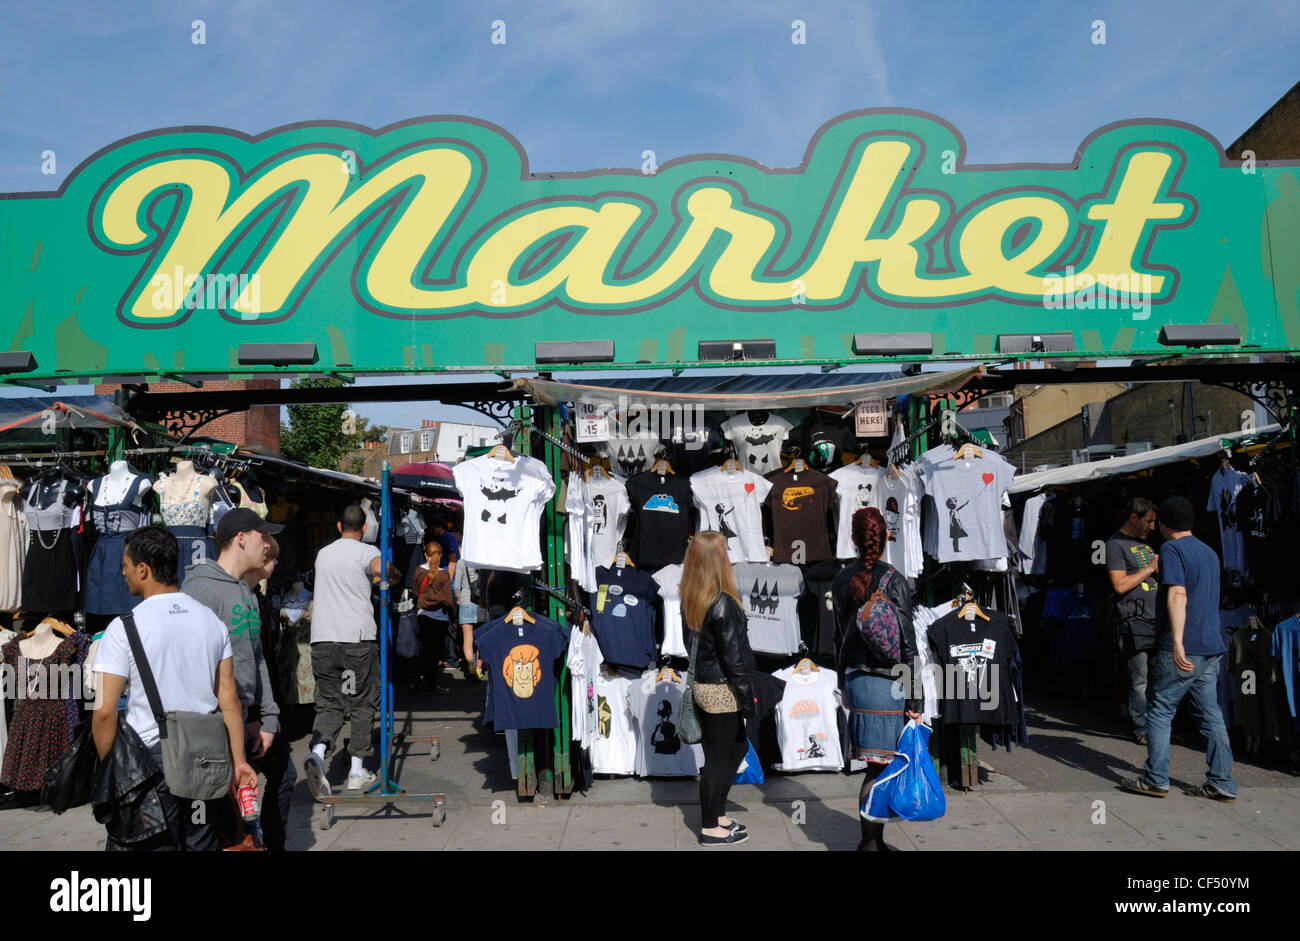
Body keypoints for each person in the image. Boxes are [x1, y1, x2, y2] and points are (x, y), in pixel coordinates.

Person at [91, 526, 256, 851]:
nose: (121, 571)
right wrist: (238, 762)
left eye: (125, 564)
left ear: (143, 569)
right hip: (208, 760)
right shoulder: (211, 621)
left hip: (150, 766)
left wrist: (112, 770)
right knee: (202, 842)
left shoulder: (123, 628)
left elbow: (105, 713)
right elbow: (230, 700)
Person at [1121, 496, 1237, 802]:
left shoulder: (1171, 549)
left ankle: (1156, 779)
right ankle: (1222, 781)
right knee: (1211, 715)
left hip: (1184, 647)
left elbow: (1178, 594)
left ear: (1163, 524)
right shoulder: (1209, 551)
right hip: (1211, 646)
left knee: (1159, 710)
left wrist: (1176, 642)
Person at [183, 507, 286, 846]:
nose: (268, 544)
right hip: (215, 726)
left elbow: (254, 658)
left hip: (244, 720)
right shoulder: (201, 590)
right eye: (263, 535)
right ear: (241, 539)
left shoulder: (244, 590)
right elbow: (195, 668)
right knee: (226, 814)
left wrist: (265, 717)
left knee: (278, 780)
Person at [831, 507, 923, 852]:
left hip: (857, 679)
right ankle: (871, 845)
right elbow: (907, 644)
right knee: (881, 769)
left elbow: (838, 638)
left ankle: (872, 842)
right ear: (886, 537)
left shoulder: (841, 579)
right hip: (888, 683)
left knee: (873, 766)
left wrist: (843, 682)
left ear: (853, 539)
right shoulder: (895, 579)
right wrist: (916, 699)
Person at [304, 504, 399, 796]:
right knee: (361, 703)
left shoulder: (323, 554)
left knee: (329, 703)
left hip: (322, 638)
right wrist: (387, 576)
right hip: (356, 640)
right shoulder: (367, 552)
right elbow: (383, 570)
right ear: (365, 530)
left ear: (338, 526)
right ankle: (357, 771)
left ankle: (319, 752)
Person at [680, 529, 755, 846]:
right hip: (722, 689)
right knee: (719, 758)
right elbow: (734, 658)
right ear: (716, 558)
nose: (729, 555)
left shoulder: (693, 594)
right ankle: (710, 826)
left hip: (704, 686)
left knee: (731, 750)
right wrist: (747, 697)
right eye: (724, 551)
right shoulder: (722, 602)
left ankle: (719, 814)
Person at [238, 534, 297, 852]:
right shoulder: (241, 600)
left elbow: (262, 661)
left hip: (258, 711)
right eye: (273, 559)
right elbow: (246, 661)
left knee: (282, 775)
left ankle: (265, 842)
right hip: (248, 714)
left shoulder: (254, 598)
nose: (276, 565)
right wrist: (258, 715)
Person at [1106, 497, 1159, 744]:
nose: (1152, 527)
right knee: (1139, 678)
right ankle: (1142, 728)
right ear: (1134, 518)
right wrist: (1149, 569)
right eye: (1148, 521)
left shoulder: (1145, 543)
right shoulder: (1115, 545)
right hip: (1133, 620)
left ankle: (1158, 727)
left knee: (1158, 677)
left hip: (1156, 618)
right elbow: (1119, 585)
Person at [411, 533, 454, 694]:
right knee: (434, 654)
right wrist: (452, 618)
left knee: (423, 650)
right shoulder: (444, 574)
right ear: (440, 555)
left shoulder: (418, 571)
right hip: (439, 617)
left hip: (422, 615)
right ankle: (431, 685)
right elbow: (448, 600)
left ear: (425, 554)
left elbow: (415, 592)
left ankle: (415, 681)